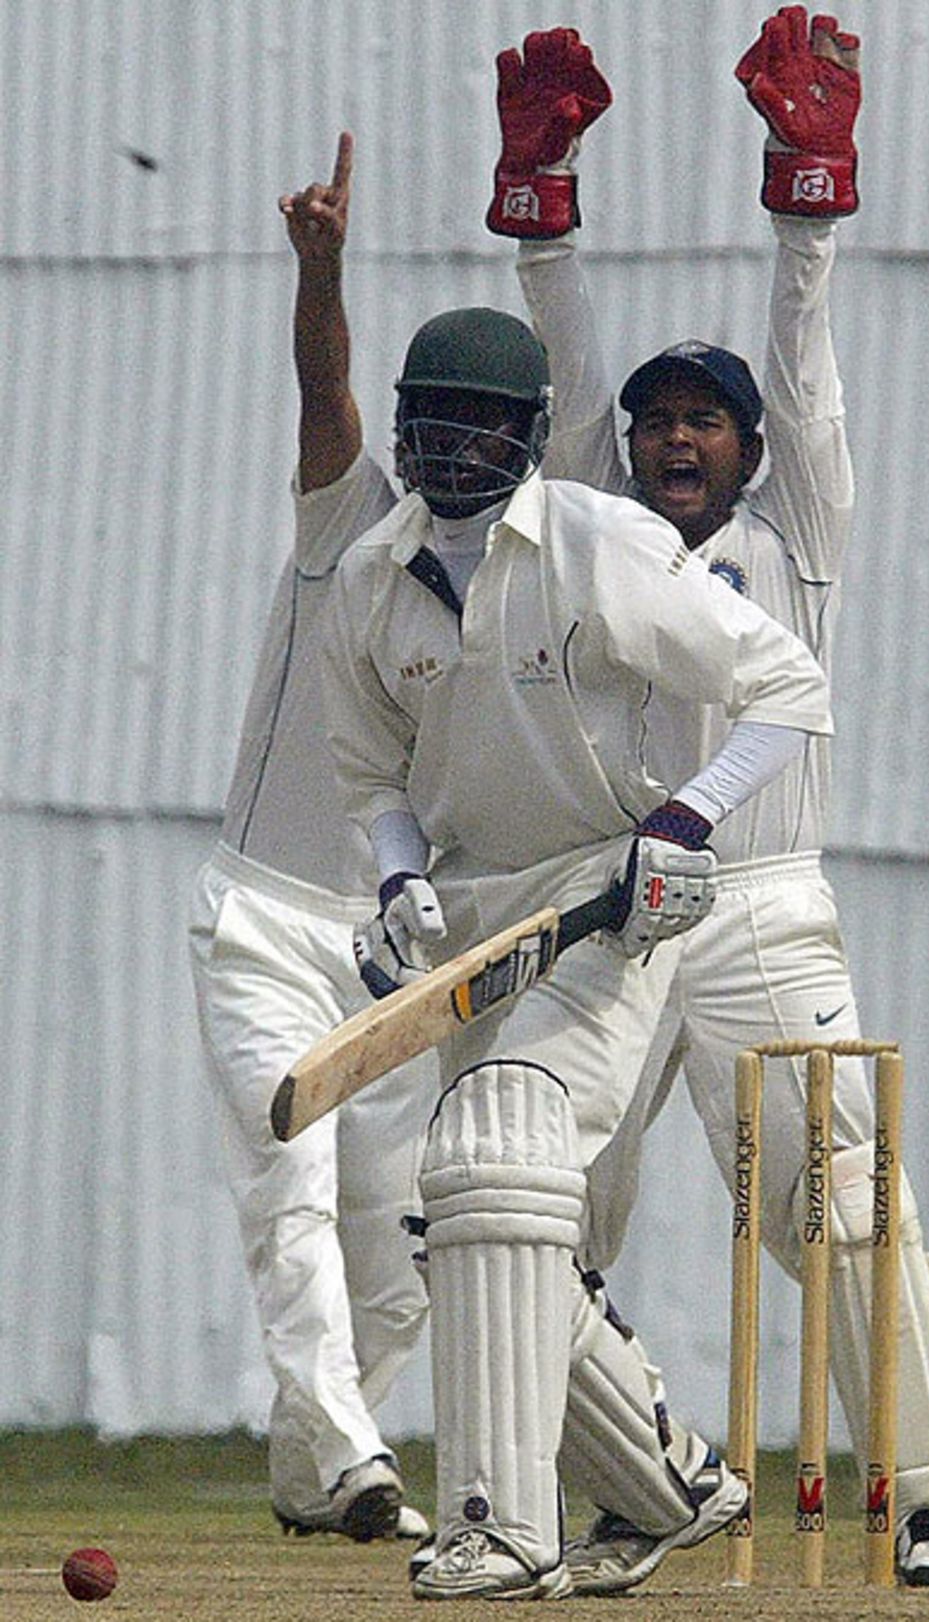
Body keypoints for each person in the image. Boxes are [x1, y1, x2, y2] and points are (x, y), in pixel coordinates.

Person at [487, 10, 929, 1587]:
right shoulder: (590, 529)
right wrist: (542, 199)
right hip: (611, 915)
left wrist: (807, 205)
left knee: (840, 1198)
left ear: (751, 451)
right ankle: (625, 1488)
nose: (675, 437)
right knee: (526, 1203)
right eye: (657, 420)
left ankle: (925, 1497)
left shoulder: (798, 529)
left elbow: (805, 369)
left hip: (764, 909)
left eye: (704, 420)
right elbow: (564, 383)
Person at [319, 203, 836, 1592]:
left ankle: (501, 1525)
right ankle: (664, 1482)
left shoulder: (603, 546)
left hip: (611, 902)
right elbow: (372, 777)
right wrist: (399, 879)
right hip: (480, 915)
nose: (447, 448)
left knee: (503, 1146)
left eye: (481, 422)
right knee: (463, 1217)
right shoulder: (372, 578)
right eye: (428, 420)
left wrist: (684, 818)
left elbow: (790, 686)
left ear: (528, 428)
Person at [187, 133, 433, 1547]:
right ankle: (351, 1465)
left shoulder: (513, 597)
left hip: (389, 960)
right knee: (290, 1184)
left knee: (390, 1255)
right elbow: (324, 386)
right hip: (262, 922)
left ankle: (311, 1464)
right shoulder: (355, 516)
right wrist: (323, 272)